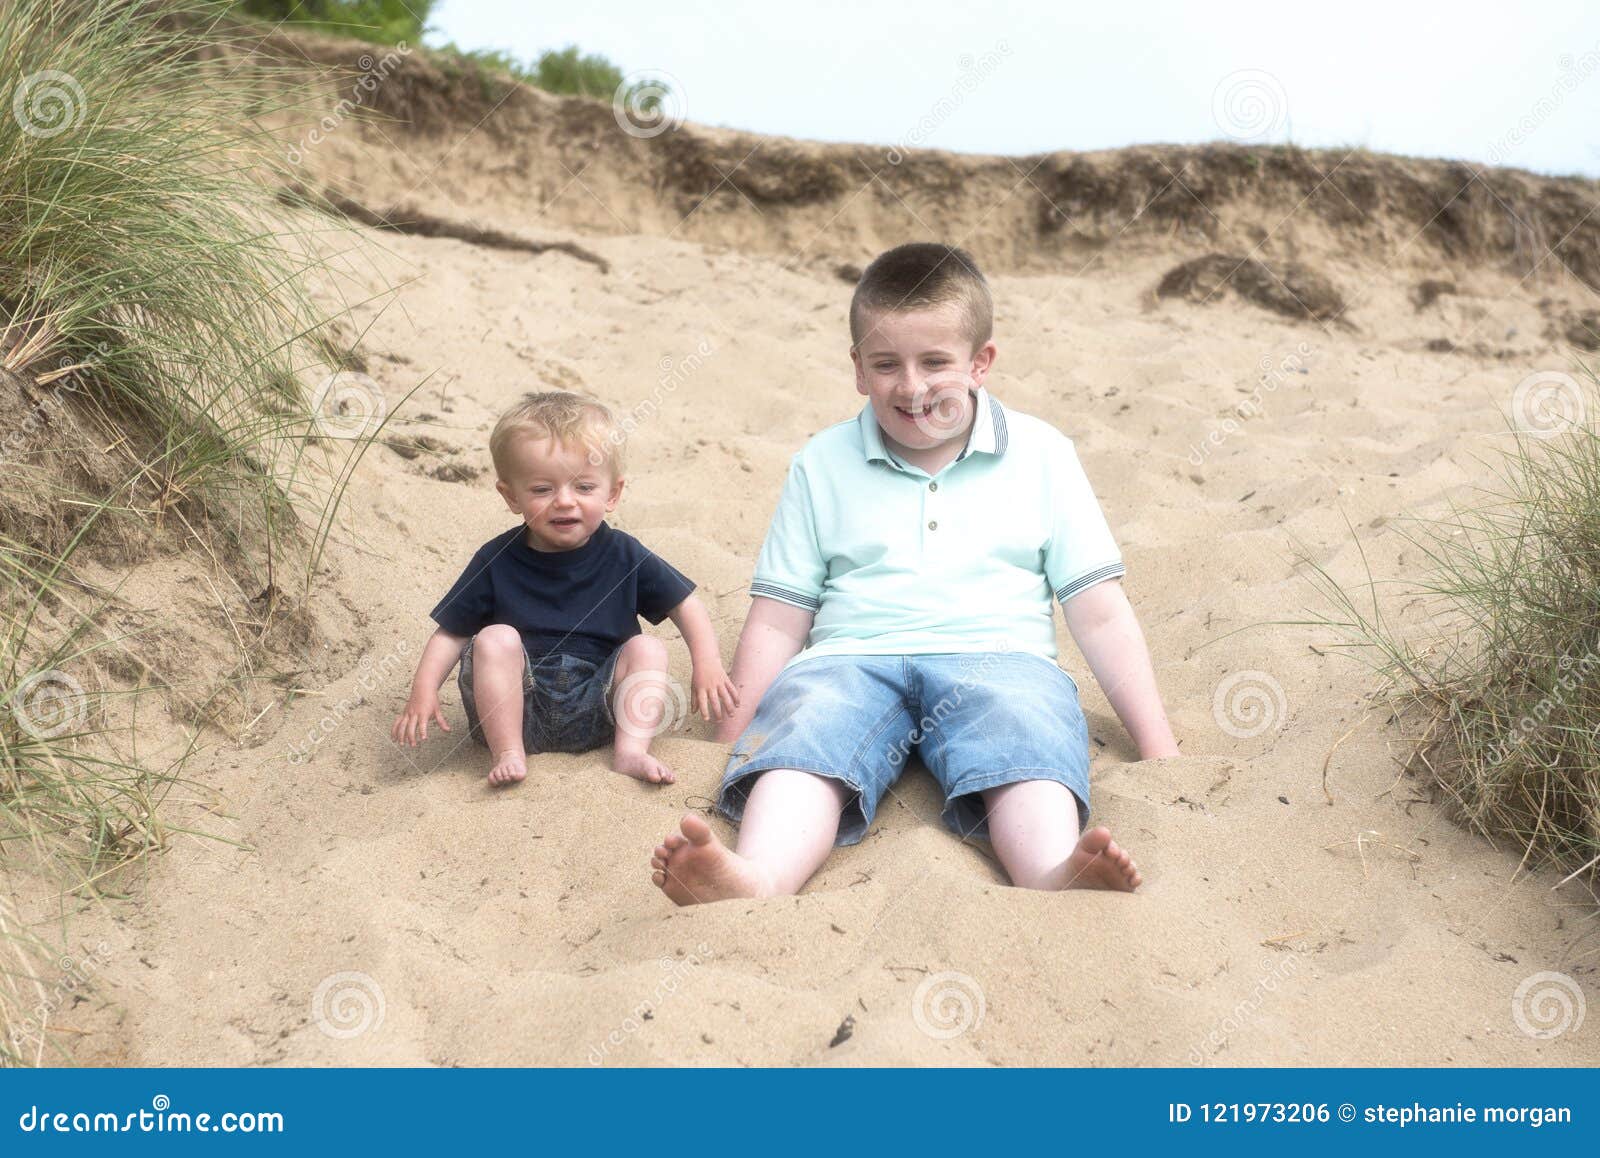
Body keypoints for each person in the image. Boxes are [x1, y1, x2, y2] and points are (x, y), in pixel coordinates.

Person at [649, 243, 1178, 904]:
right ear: (858, 370)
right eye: (886, 364)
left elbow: (1098, 612)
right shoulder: (822, 462)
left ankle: (1049, 869)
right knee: (809, 729)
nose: (912, 386)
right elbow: (781, 618)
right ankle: (759, 875)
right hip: (852, 656)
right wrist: (734, 735)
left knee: (1025, 727)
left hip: (998, 654)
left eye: (934, 362)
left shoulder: (1043, 455)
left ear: (980, 363)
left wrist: (1159, 748)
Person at [393, 391, 737, 786]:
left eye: (584, 487)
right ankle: (508, 753)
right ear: (511, 496)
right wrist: (424, 690)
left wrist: (706, 664)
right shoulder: (496, 558)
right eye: (542, 489)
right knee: (494, 639)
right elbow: (451, 632)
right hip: (516, 709)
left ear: (612, 494)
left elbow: (685, 604)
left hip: (599, 707)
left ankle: (631, 750)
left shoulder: (625, 554)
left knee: (648, 648)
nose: (565, 502)